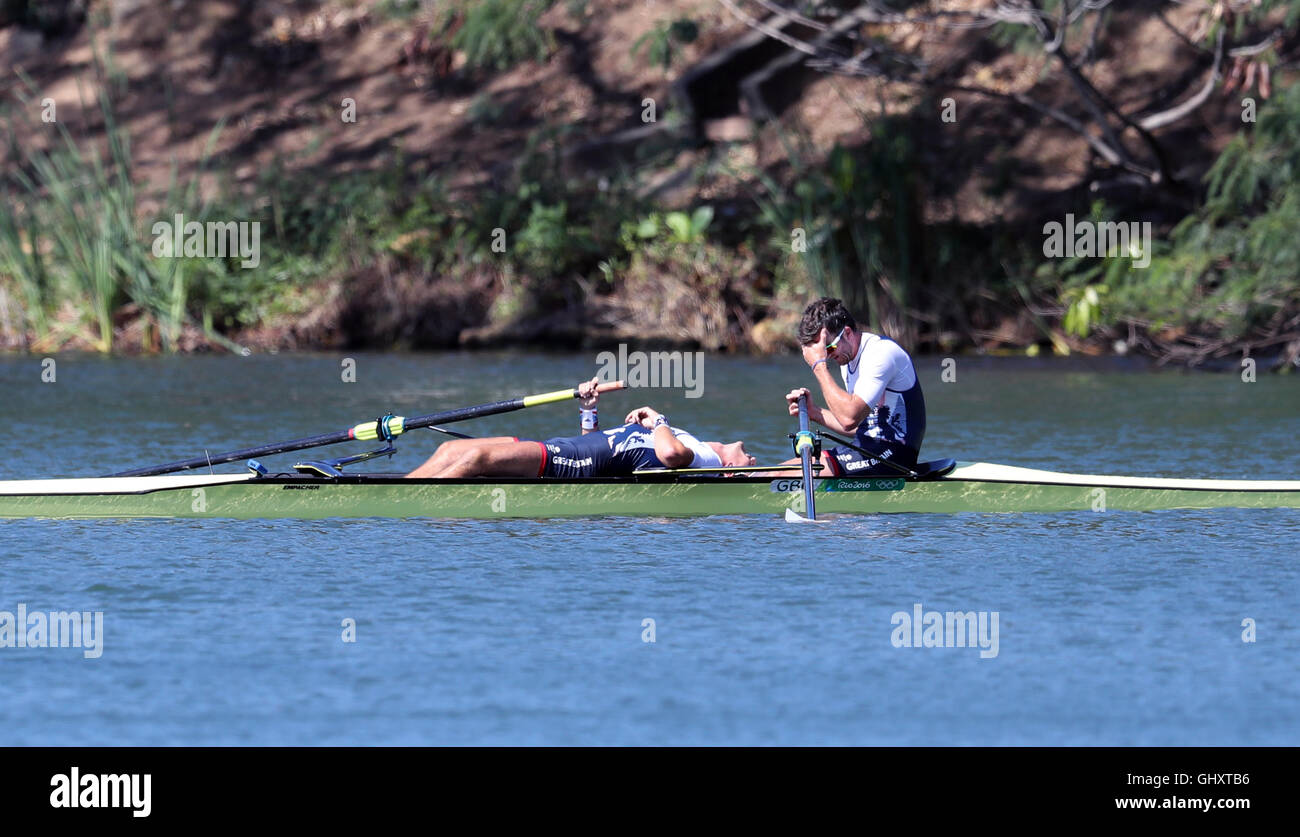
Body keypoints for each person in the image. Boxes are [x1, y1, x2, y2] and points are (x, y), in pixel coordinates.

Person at [406, 377, 754, 478]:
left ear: (731, 473)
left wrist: (658, 420)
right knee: (450, 450)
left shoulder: (705, 460)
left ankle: (403, 502)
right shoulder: (697, 443)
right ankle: (397, 491)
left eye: (750, 463)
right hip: (566, 448)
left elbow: (673, 456)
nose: (752, 457)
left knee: (476, 456)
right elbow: (599, 444)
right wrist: (589, 410)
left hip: (566, 463)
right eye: (752, 458)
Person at [783, 297, 926, 476]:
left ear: (848, 333)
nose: (826, 356)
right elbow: (857, 425)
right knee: (782, 470)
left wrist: (819, 367)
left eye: (828, 349)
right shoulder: (847, 358)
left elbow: (849, 418)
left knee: (790, 472)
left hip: (893, 457)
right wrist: (814, 412)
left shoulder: (880, 355)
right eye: (821, 352)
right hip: (868, 450)